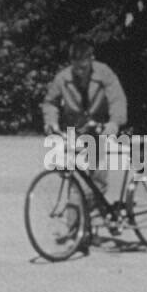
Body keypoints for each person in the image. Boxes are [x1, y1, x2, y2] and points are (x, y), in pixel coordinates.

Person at [41, 36, 128, 200]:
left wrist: (115, 123)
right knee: (73, 180)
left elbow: (118, 99)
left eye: (83, 67)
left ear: (91, 59)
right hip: (75, 131)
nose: (79, 72)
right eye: (76, 67)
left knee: (97, 182)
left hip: (97, 130)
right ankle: (79, 221)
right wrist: (51, 122)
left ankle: (87, 218)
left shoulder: (104, 73)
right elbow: (50, 103)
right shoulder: (62, 78)